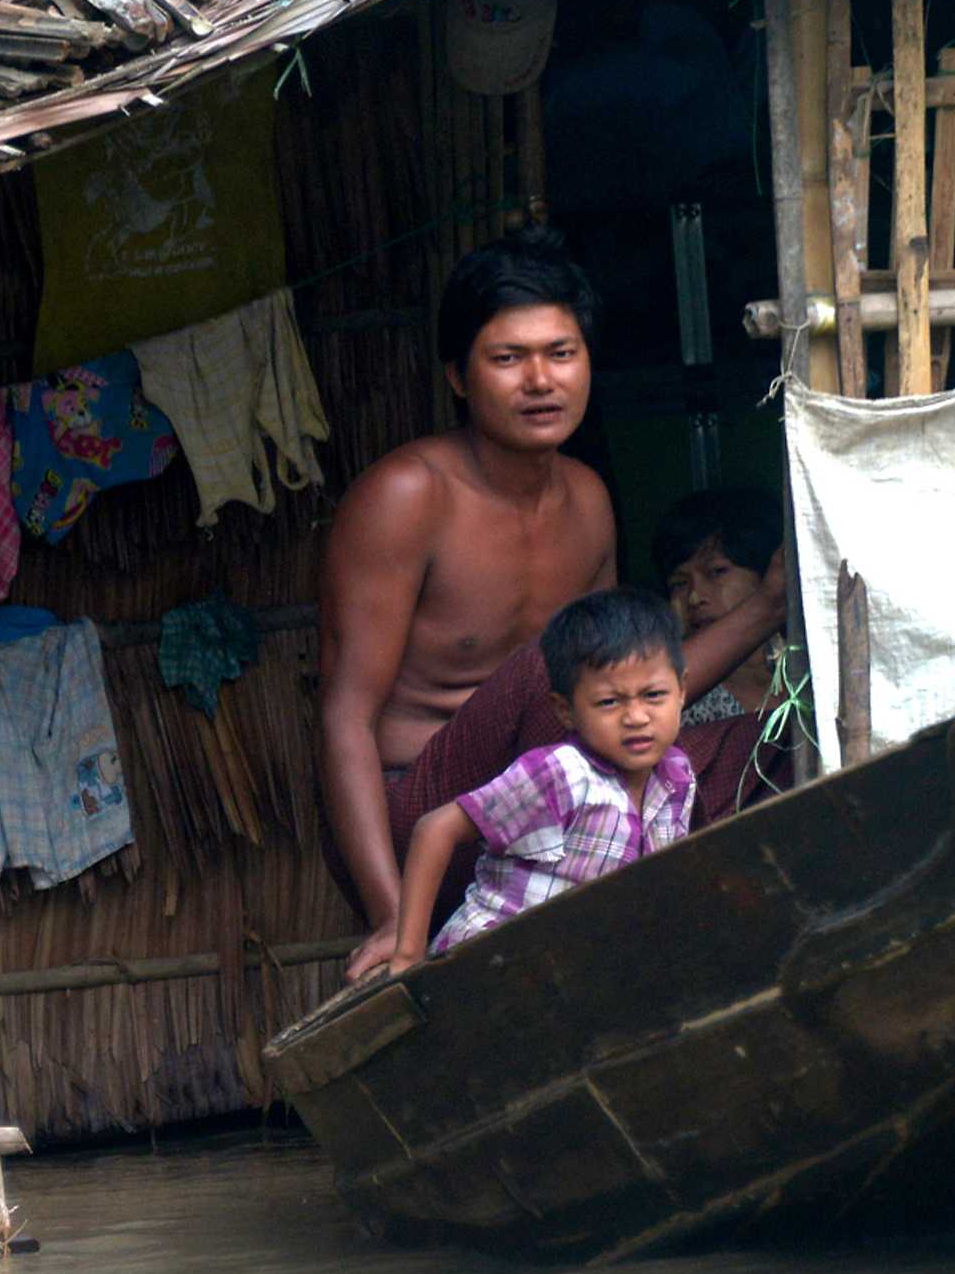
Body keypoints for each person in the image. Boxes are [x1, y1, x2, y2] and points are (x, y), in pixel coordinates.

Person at [318, 228, 783, 982]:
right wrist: (390, 916)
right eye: (508, 359)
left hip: (549, 822)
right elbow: (345, 718)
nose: (541, 380)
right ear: (459, 377)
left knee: (759, 742)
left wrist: (766, 606)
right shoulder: (407, 497)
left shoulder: (589, 501)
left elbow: (627, 691)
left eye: (561, 354)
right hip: (425, 828)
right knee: (553, 662)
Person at [372, 590, 695, 975]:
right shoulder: (560, 773)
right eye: (609, 702)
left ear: (682, 692)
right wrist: (408, 957)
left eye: (654, 695)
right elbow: (434, 829)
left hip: (570, 974)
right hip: (487, 965)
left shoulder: (677, 778)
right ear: (565, 711)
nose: (637, 716)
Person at [652, 487, 787, 725]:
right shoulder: (678, 703)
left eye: (716, 572)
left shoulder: (813, 671)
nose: (694, 597)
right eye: (679, 584)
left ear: (770, 572)